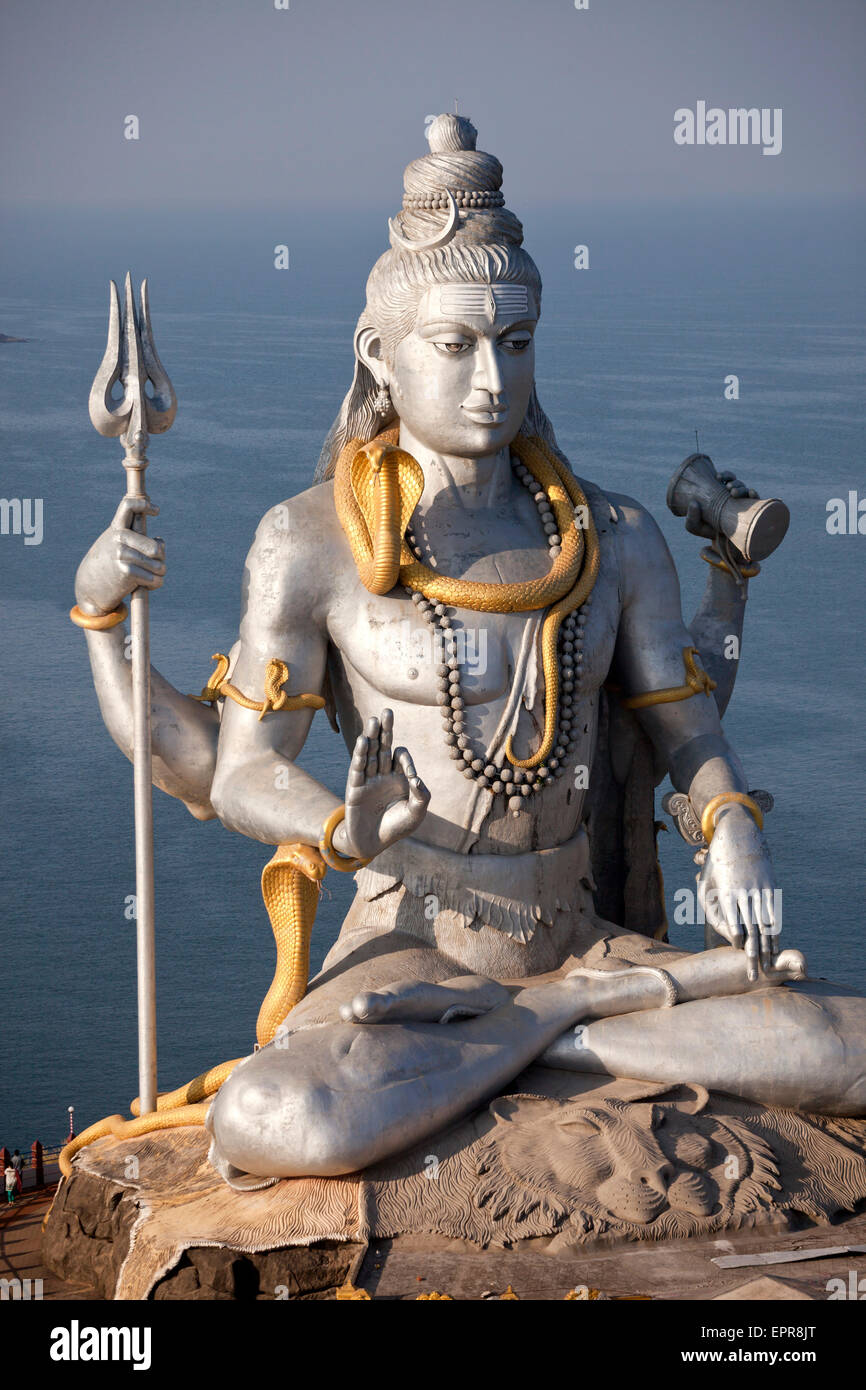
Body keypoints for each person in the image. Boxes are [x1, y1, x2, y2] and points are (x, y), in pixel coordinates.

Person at [71, 114, 866, 1185]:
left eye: (516, 341)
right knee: (276, 1113)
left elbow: (684, 725)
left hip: (578, 937)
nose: (491, 377)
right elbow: (238, 768)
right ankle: (575, 1029)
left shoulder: (614, 537)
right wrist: (337, 830)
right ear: (379, 354)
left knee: (848, 1046)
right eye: (454, 345)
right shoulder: (308, 543)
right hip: (406, 948)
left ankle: (547, 1027)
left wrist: (730, 830)